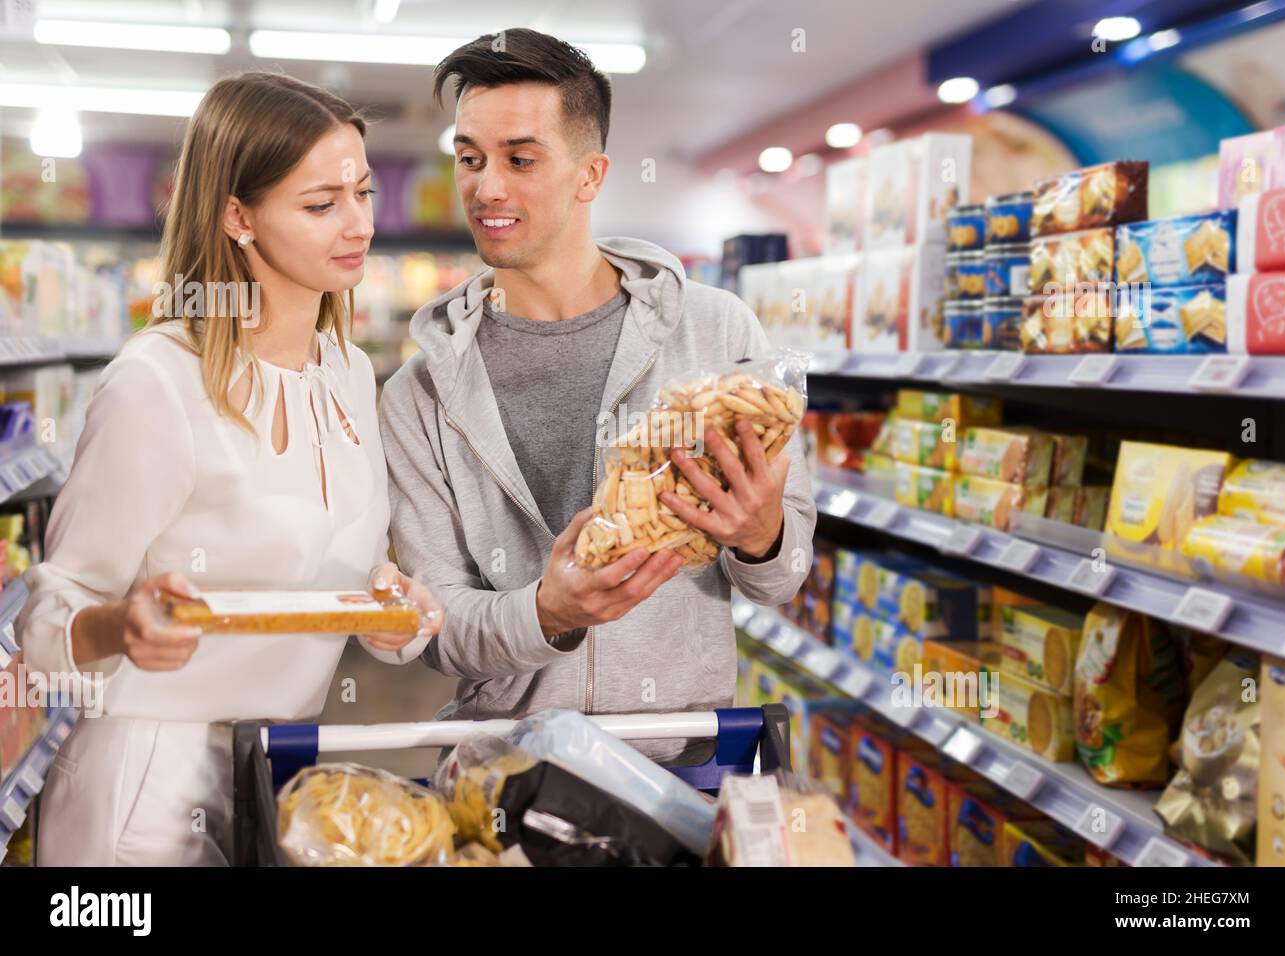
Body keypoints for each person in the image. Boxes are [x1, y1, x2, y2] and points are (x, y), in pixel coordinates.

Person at [17, 71, 441, 866]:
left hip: (277, 776)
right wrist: (122, 627)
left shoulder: (348, 372)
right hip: (143, 794)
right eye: (321, 205)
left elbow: (339, 569)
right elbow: (45, 619)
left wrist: (389, 606)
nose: (358, 225)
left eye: (364, 192)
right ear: (237, 215)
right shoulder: (158, 382)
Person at [380, 29, 815, 764]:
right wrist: (544, 614)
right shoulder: (419, 391)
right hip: (504, 777)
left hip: (683, 765)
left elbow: (784, 577)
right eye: (469, 159)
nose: (487, 187)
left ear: (590, 175)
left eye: (520, 159)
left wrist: (761, 533)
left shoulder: (714, 332)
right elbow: (435, 628)